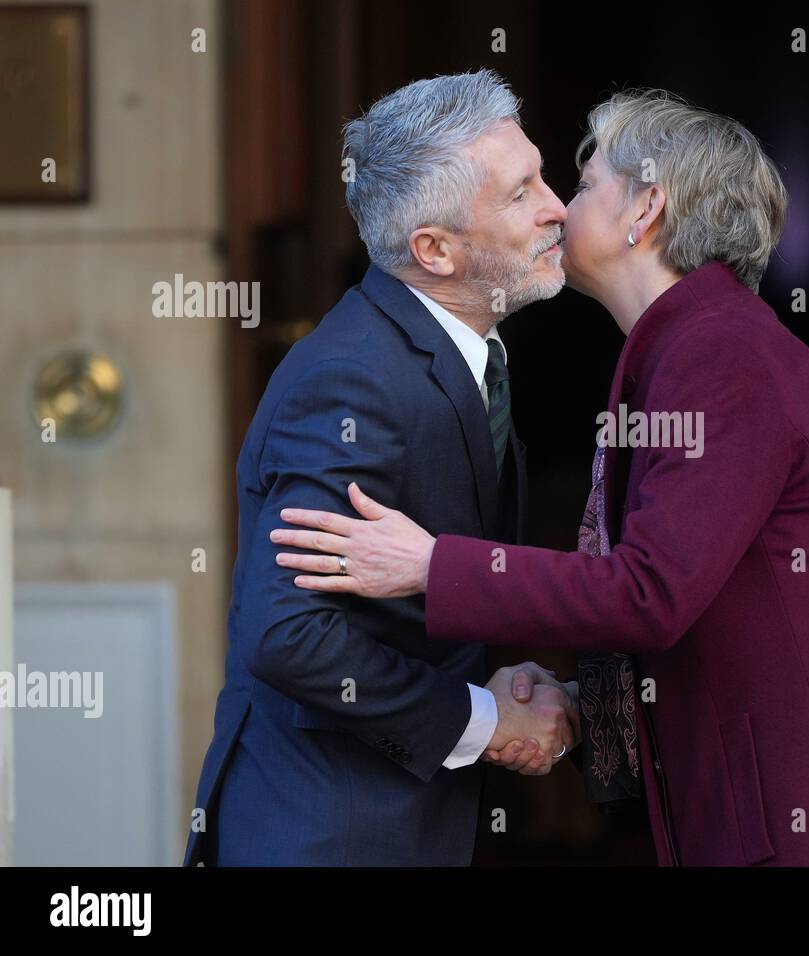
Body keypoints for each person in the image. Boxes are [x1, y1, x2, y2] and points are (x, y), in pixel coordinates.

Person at [275, 89, 809, 866]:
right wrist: (559, 709)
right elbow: (703, 609)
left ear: (646, 208)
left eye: (583, 185)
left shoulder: (718, 353)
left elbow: (650, 592)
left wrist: (430, 565)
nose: (559, 208)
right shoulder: (695, 344)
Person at [185, 70, 580, 866]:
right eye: (520, 194)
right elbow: (289, 633)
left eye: (543, 175)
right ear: (434, 250)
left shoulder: (465, 351)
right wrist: (484, 720)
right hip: (326, 834)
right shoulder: (354, 379)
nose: (557, 208)